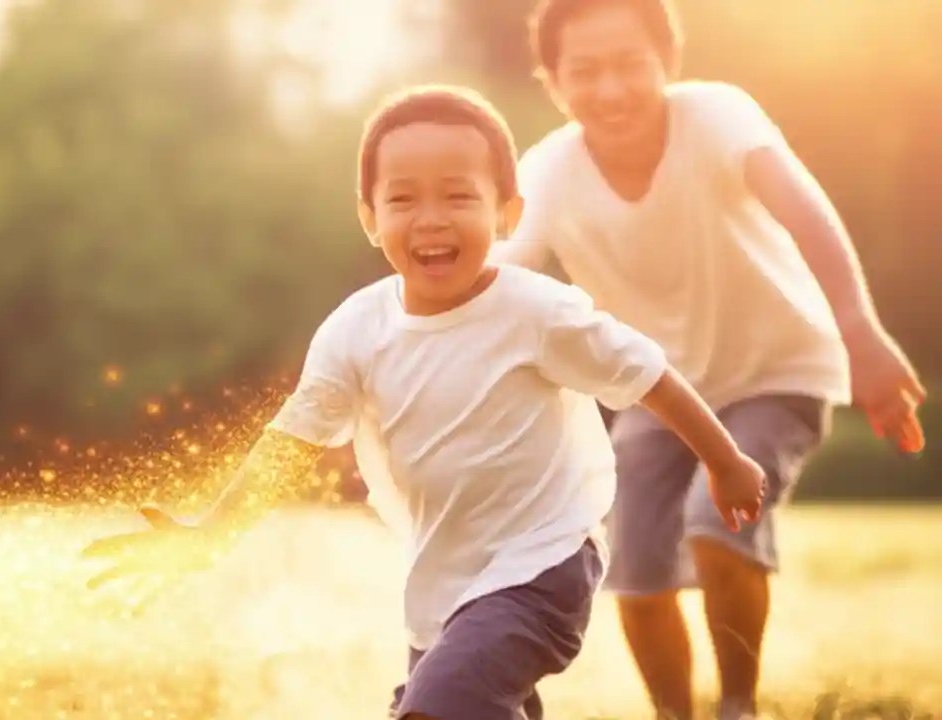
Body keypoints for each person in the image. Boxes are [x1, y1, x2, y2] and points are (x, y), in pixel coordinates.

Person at [82, 85, 767, 720]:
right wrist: (212, 532)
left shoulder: (536, 312)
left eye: (458, 197)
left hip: (545, 563)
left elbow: (647, 373)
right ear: (369, 218)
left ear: (507, 214)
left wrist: (725, 459)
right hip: (443, 585)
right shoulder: (356, 329)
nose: (431, 220)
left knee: (435, 711)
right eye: (403, 200)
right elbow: (294, 439)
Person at [490, 1, 929, 718]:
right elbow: (508, 284)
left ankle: (736, 706)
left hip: (776, 370)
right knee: (633, 569)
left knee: (719, 524)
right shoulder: (546, 172)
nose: (609, 89)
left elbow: (805, 211)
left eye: (629, 64)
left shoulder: (716, 116)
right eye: (584, 71)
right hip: (660, 396)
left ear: (668, 58)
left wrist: (861, 332)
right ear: (552, 82)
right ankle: (674, 713)